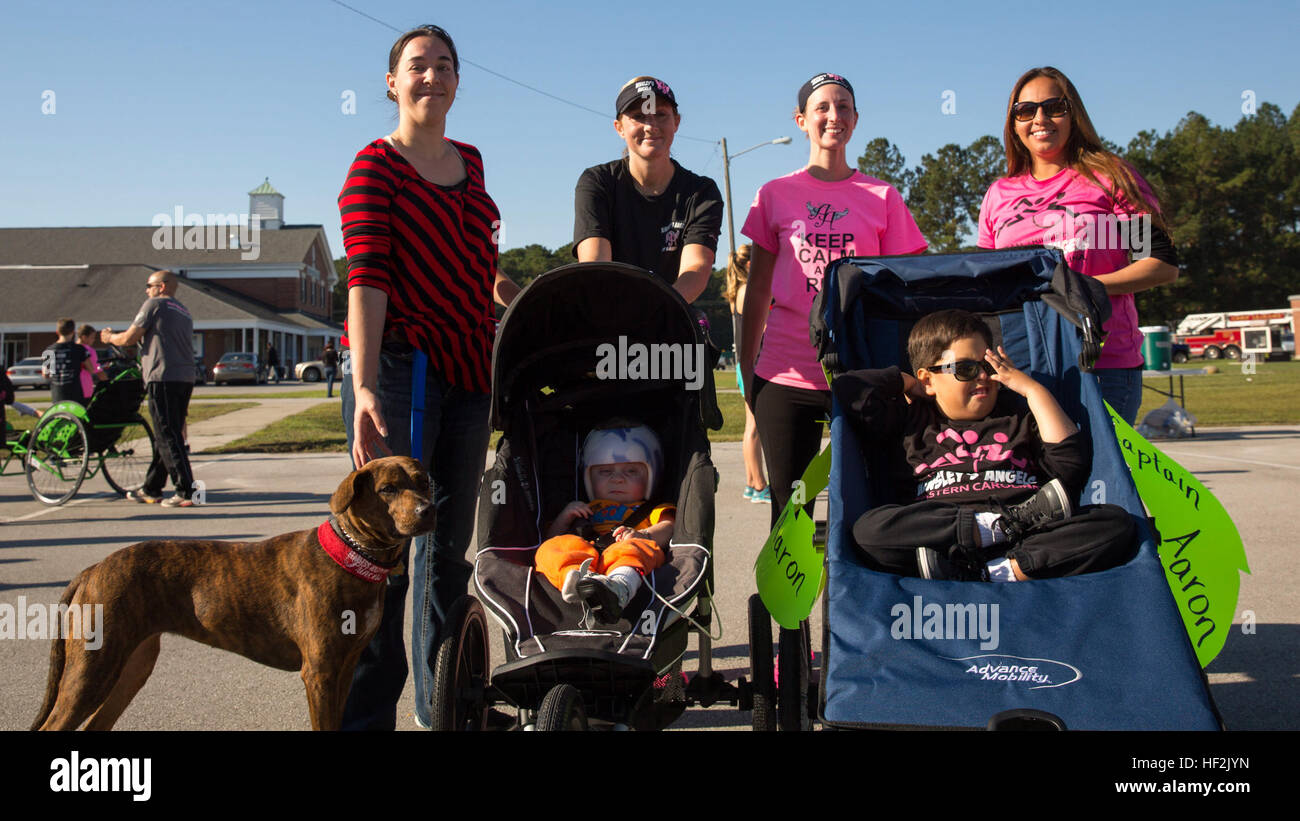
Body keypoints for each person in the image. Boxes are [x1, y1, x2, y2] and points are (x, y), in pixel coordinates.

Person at [338, 23, 520, 731]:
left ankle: (442, 706)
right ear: (392, 82)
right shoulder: (373, 168)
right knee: (387, 552)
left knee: (447, 552)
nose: (433, 76)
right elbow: (367, 282)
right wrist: (361, 390)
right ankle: (365, 713)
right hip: (404, 369)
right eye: (418, 65)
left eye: (445, 65)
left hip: (472, 370)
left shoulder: (471, 162)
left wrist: (531, 301)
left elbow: (480, 265)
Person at [740, 72, 927, 527]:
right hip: (787, 375)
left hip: (862, 369)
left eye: (844, 107)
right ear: (801, 120)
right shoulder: (774, 195)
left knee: (873, 503)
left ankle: (859, 597)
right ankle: (776, 602)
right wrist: (749, 372)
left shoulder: (882, 196)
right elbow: (758, 290)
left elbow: (906, 293)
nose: (834, 116)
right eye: (822, 107)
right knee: (791, 510)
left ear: (856, 120)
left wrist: (909, 370)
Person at [836, 309, 1135, 581]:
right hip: (944, 536)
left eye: (989, 366)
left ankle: (993, 571)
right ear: (929, 378)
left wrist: (1032, 390)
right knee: (869, 531)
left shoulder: (1017, 414)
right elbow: (848, 391)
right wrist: (908, 382)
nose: (983, 376)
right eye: (965, 368)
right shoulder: (910, 419)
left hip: (1028, 531)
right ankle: (988, 551)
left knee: (1115, 523)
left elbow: (1070, 468)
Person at [977, 66, 1180, 426]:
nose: (1040, 118)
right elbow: (984, 286)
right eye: (1025, 111)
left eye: (1054, 107)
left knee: (1099, 480)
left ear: (1074, 114)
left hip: (1103, 366)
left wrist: (1085, 288)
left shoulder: (1111, 176)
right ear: (1013, 123)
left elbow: (1161, 263)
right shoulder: (998, 194)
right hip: (1022, 368)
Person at [573, 76, 724, 303]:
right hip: (609, 313)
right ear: (619, 128)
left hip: (669, 316)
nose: (651, 126)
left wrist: (655, 312)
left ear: (677, 122)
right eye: (638, 116)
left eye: (661, 114)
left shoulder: (701, 192)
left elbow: (695, 269)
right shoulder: (597, 182)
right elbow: (596, 266)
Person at [535, 422, 673, 623]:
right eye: (605, 472)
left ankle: (619, 587)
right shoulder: (587, 508)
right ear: (589, 478)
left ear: (651, 475)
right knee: (551, 547)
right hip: (584, 556)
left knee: (635, 547)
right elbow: (550, 538)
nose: (617, 479)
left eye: (631, 471)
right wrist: (565, 516)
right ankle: (578, 581)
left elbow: (670, 527)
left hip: (627, 550)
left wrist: (644, 535)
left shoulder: (652, 509)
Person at [101, 270, 197, 507]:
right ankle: (152, 488)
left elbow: (129, 338)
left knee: (168, 434)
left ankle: (186, 491)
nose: (147, 290)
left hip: (162, 376)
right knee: (167, 434)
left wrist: (109, 337)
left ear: (162, 286)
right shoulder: (183, 310)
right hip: (184, 377)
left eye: (149, 285)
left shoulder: (154, 304)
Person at [723, 244, 768, 503]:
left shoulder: (739, 291)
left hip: (747, 363)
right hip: (753, 363)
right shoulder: (746, 291)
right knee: (754, 426)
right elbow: (762, 329)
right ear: (750, 265)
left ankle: (752, 482)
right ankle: (759, 484)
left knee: (753, 426)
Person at [42, 318, 92, 406]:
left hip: (57, 394)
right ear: (73, 332)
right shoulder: (79, 349)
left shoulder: (49, 351)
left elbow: (45, 374)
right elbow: (91, 369)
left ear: (57, 332)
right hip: (75, 394)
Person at [77, 324, 107, 404]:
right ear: (84, 337)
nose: (93, 340)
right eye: (92, 337)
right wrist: (108, 383)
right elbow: (98, 371)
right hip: (85, 387)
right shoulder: (88, 350)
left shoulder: (71, 348)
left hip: (71, 387)